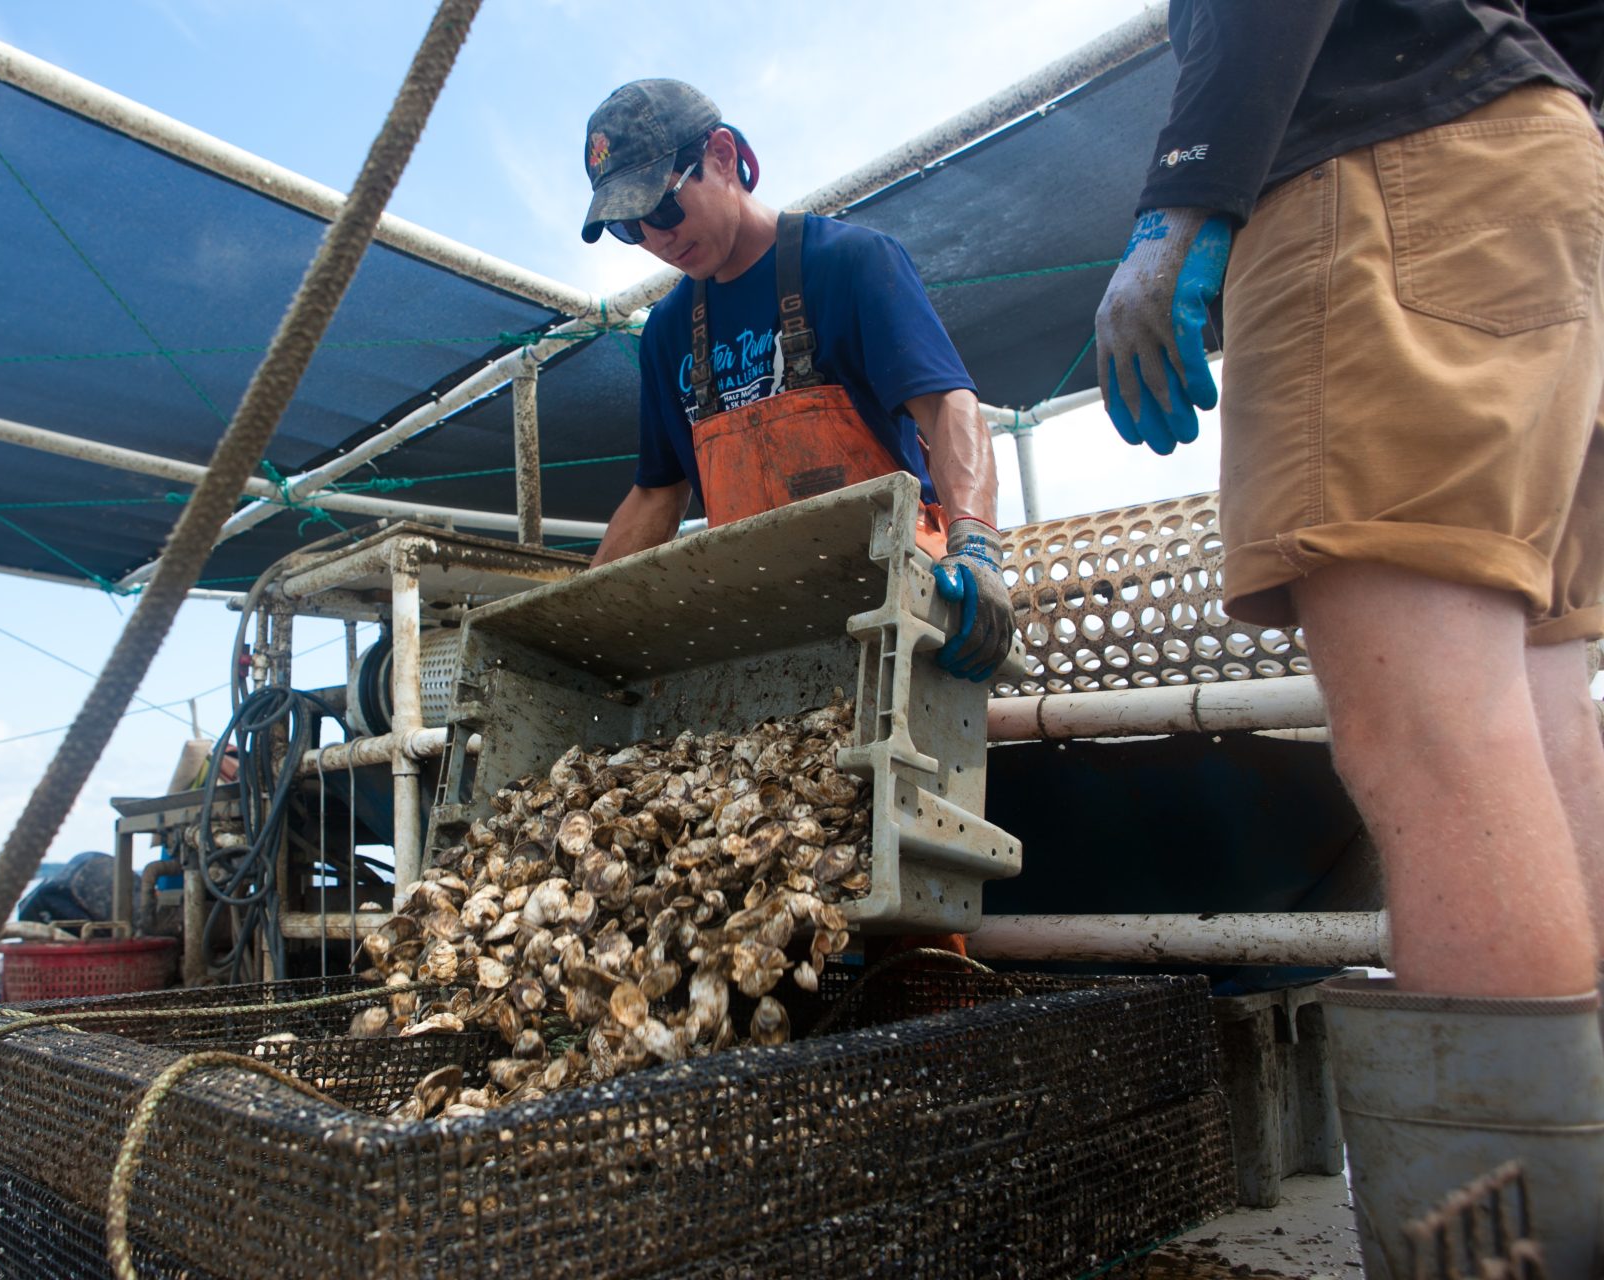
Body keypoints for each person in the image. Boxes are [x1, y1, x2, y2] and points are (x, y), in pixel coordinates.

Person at [1093, 3, 1604, 1273]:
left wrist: (1185, 195)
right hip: (1541, 176)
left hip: (1379, 174)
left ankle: (1516, 1248)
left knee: (1436, 738)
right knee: (1536, 718)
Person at [579, 79, 1013, 683]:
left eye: (663, 207)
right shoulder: (667, 332)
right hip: (766, 634)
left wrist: (978, 547)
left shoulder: (850, 263)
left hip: (899, 612)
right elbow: (658, 493)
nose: (657, 239)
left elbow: (945, 409)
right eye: (632, 229)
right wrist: (580, 618)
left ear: (723, 157)